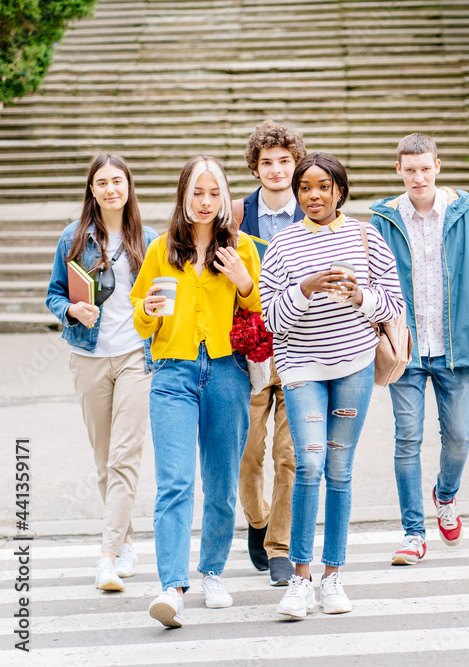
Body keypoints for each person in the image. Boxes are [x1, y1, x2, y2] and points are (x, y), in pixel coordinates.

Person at [259, 152, 403, 618]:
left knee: (340, 469)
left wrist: (360, 295)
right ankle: (300, 580)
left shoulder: (368, 236)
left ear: (340, 189)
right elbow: (270, 318)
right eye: (305, 188)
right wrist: (306, 288)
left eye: (324, 186)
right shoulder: (282, 245)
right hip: (300, 369)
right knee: (311, 464)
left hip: (355, 366)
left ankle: (333, 574)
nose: (314, 195)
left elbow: (393, 304)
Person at [130, 156, 261, 628]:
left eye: (214, 194)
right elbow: (140, 316)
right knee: (175, 482)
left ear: (225, 197)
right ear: (184, 196)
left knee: (223, 483)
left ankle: (212, 571)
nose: (206, 203)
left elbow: (263, 306)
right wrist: (146, 309)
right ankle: (171, 586)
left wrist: (243, 282)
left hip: (227, 372)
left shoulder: (243, 248)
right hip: (172, 373)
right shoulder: (161, 249)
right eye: (197, 193)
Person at [369, 133, 469, 566]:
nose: (418, 177)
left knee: (459, 436)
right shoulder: (383, 219)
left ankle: (445, 496)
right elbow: (372, 280)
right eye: (410, 169)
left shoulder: (464, 212)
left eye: (425, 168)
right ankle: (413, 533)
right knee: (406, 437)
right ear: (398, 170)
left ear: (438, 167)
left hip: (455, 345)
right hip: (405, 348)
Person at [45, 153, 160, 592]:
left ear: (128, 186)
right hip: (88, 357)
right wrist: (71, 309)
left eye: (117, 181)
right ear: (92, 190)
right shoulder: (73, 238)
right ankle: (126, 538)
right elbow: (55, 294)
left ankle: (107, 556)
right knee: (102, 458)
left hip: (136, 355)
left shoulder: (149, 240)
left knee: (124, 455)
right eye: (101, 183)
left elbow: (162, 295)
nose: (111, 189)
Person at [235, 120, 306, 586]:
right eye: (268, 163)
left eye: (285, 161)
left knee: (290, 455)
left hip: (301, 350)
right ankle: (258, 522)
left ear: (296, 162)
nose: (277, 169)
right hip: (250, 350)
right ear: (255, 168)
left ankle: (280, 545)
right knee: (247, 451)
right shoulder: (237, 214)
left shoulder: (316, 206)